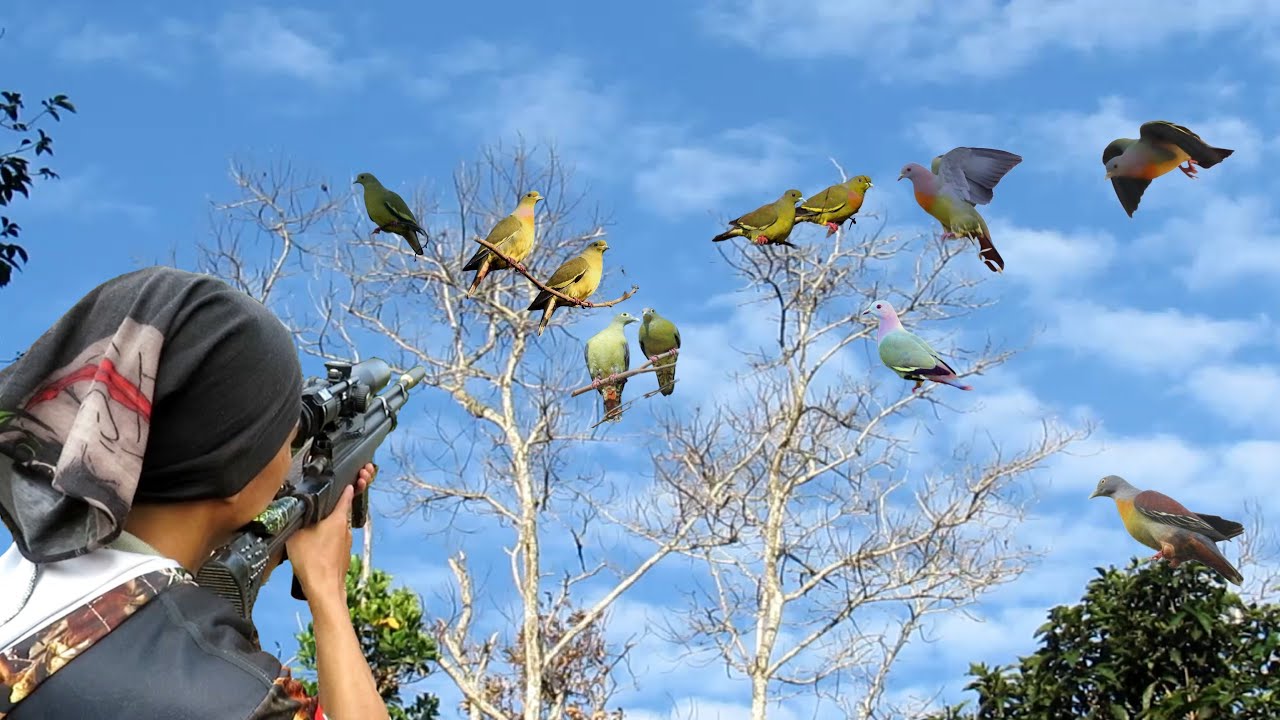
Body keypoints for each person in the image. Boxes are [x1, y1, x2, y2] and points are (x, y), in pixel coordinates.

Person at [0, 266, 391, 719]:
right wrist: (326, 592)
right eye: (286, 440)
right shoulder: (235, 695)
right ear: (236, 467)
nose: (290, 456)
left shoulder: (25, 586)